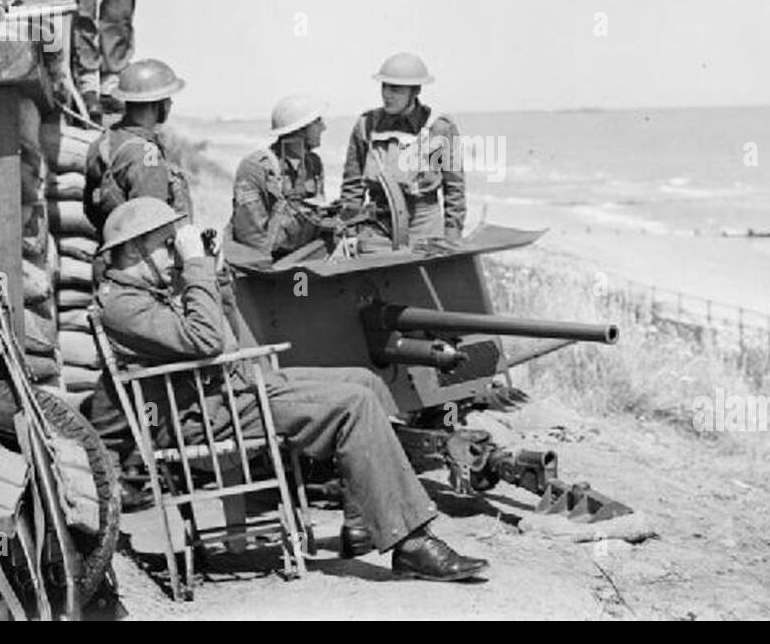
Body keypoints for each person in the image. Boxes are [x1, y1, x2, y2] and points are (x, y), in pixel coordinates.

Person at [95, 197, 490, 581]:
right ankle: (411, 544)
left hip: (227, 395)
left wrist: (213, 274)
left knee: (362, 380)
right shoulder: (123, 307)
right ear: (133, 250)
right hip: (207, 417)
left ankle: (364, 525)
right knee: (354, 404)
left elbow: (223, 332)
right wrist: (195, 265)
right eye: (165, 246)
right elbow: (207, 341)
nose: (172, 254)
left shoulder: (148, 294)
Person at [338, 52, 465, 247]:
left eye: (396, 89)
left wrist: (452, 235)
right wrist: (349, 229)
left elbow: (454, 188)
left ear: (415, 92)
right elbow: (353, 185)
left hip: (423, 225)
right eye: (384, 86)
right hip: (377, 225)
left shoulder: (437, 128)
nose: (387, 94)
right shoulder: (367, 125)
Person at [83, 58, 192, 239]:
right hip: (143, 261)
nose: (170, 104)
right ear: (156, 104)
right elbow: (152, 225)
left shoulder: (103, 141)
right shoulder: (146, 155)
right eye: (167, 99)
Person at [227, 94, 330, 261]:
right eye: (317, 121)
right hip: (265, 266)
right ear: (301, 129)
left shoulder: (313, 164)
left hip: (301, 258)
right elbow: (251, 238)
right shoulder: (255, 167)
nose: (323, 127)